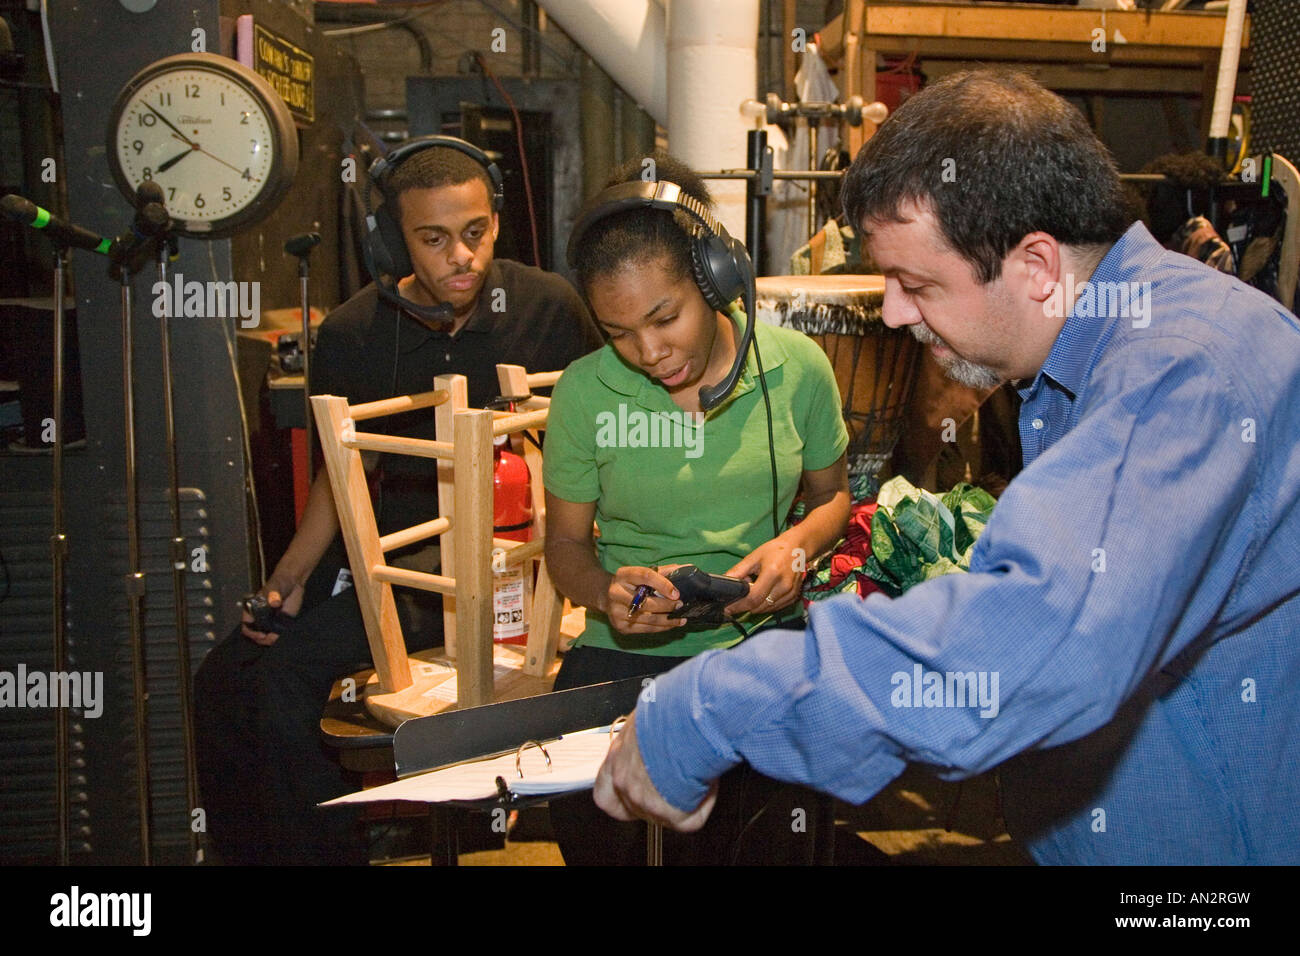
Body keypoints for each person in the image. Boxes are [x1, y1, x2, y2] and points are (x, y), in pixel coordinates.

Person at [594, 71, 1300, 865]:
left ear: (1036, 264)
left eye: (916, 282)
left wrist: (708, 709)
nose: (893, 311)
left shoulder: (1183, 370)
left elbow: (1038, 639)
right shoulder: (1100, 354)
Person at [194, 138, 603, 865]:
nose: (461, 258)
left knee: (284, 690)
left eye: (475, 233)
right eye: (434, 239)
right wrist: (287, 578)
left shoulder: (547, 306)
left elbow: (599, 441)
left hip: (525, 570)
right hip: (403, 574)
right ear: (394, 238)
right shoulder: (355, 330)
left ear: (497, 222)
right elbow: (344, 474)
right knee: (229, 683)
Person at [542, 153, 851, 864]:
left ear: (715, 276)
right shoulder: (585, 395)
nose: (649, 352)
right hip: (621, 656)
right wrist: (606, 593)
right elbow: (565, 546)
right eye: (618, 332)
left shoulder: (798, 368)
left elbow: (832, 497)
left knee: (772, 836)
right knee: (590, 825)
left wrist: (795, 547)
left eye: (664, 316)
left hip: (759, 647)